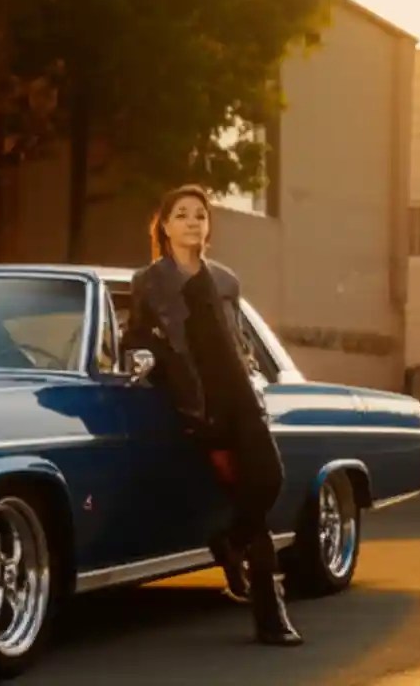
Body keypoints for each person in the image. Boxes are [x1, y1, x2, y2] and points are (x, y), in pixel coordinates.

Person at [123, 184, 303, 647]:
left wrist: (250, 374)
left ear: (208, 226)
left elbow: (237, 338)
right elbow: (135, 340)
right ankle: (271, 615)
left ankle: (229, 538)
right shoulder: (149, 281)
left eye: (199, 216)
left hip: (240, 395)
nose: (191, 222)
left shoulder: (226, 280)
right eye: (181, 215)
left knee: (269, 479)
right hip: (197, 403)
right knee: (251, 494)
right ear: (164, 226)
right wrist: (159, 362)